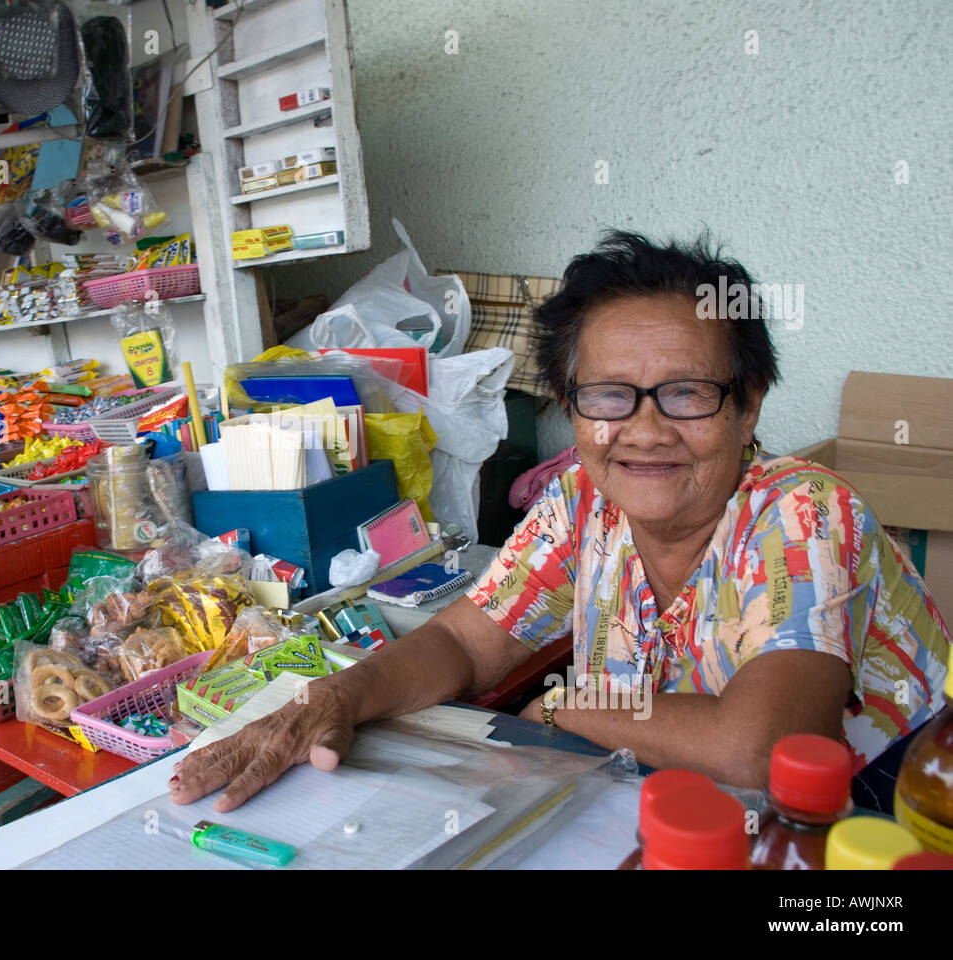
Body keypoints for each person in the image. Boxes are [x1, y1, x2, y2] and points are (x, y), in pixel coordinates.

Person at [169, 231, 950, 814]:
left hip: (893, 818)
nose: (644, 430)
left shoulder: (800, 509)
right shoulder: (582, 501)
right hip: (710, 807)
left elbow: (761, 750)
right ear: (571, 406)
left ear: (749, 407)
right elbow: (461, 643)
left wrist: (567, 705)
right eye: (608, 394)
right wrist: (333, 699)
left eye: (688, 393)